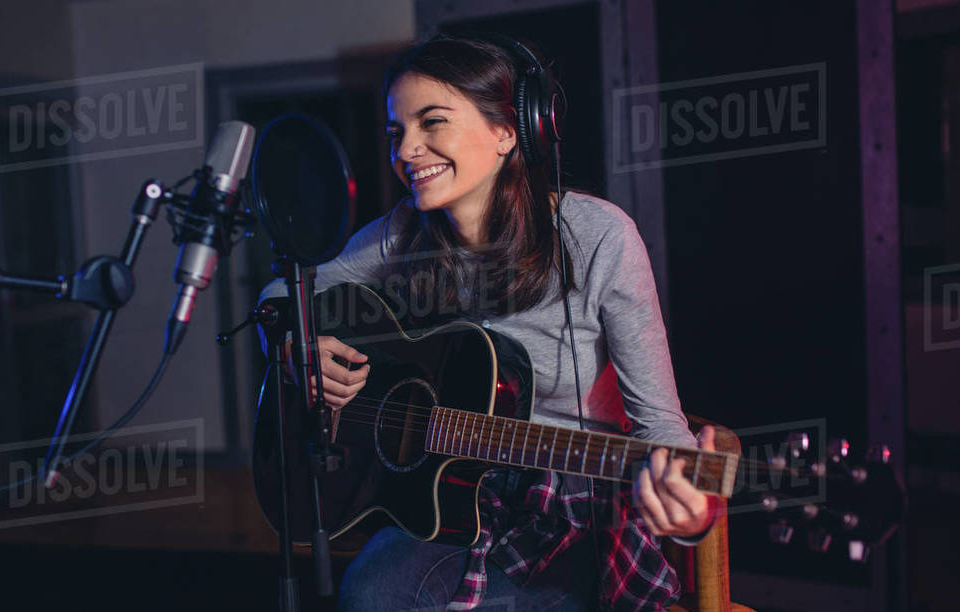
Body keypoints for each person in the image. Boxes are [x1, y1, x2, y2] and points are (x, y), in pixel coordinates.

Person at [258, 34, 719, 611]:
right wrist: (300, 351)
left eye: (432, 122)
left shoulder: (601, 236)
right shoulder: (403, 233)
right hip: (452, 493)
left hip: (570, 510)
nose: (408, 150)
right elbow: (284, 292)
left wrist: (693, 511)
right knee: (370, 593)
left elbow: (660, 423)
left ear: (509, 131)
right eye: (397, 132)